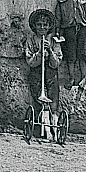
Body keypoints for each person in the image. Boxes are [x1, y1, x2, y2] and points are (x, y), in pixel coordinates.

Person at [25, 8, 64, 142]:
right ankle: (44, 128)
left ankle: (55, 128)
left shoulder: (54, 40)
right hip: (36, 73)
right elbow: (30, 61)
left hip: (51, 73)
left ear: (49, 27)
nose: (42, 27)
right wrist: (40, 52)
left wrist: (50, 52)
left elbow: (57, 62)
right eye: (39, 25)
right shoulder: (31, 40)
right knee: (40, 101)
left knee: (53, 101)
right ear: (34, 26)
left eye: (45, 25)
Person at [54, 0, 86, 90]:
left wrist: (85, 28)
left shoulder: (83, 0)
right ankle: (71, 78)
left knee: (82, 55)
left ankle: (83, 78)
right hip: (68, 30)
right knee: (70, 55)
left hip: (81, 29)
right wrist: (58, 32)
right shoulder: (61, 2)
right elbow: (58, 18)